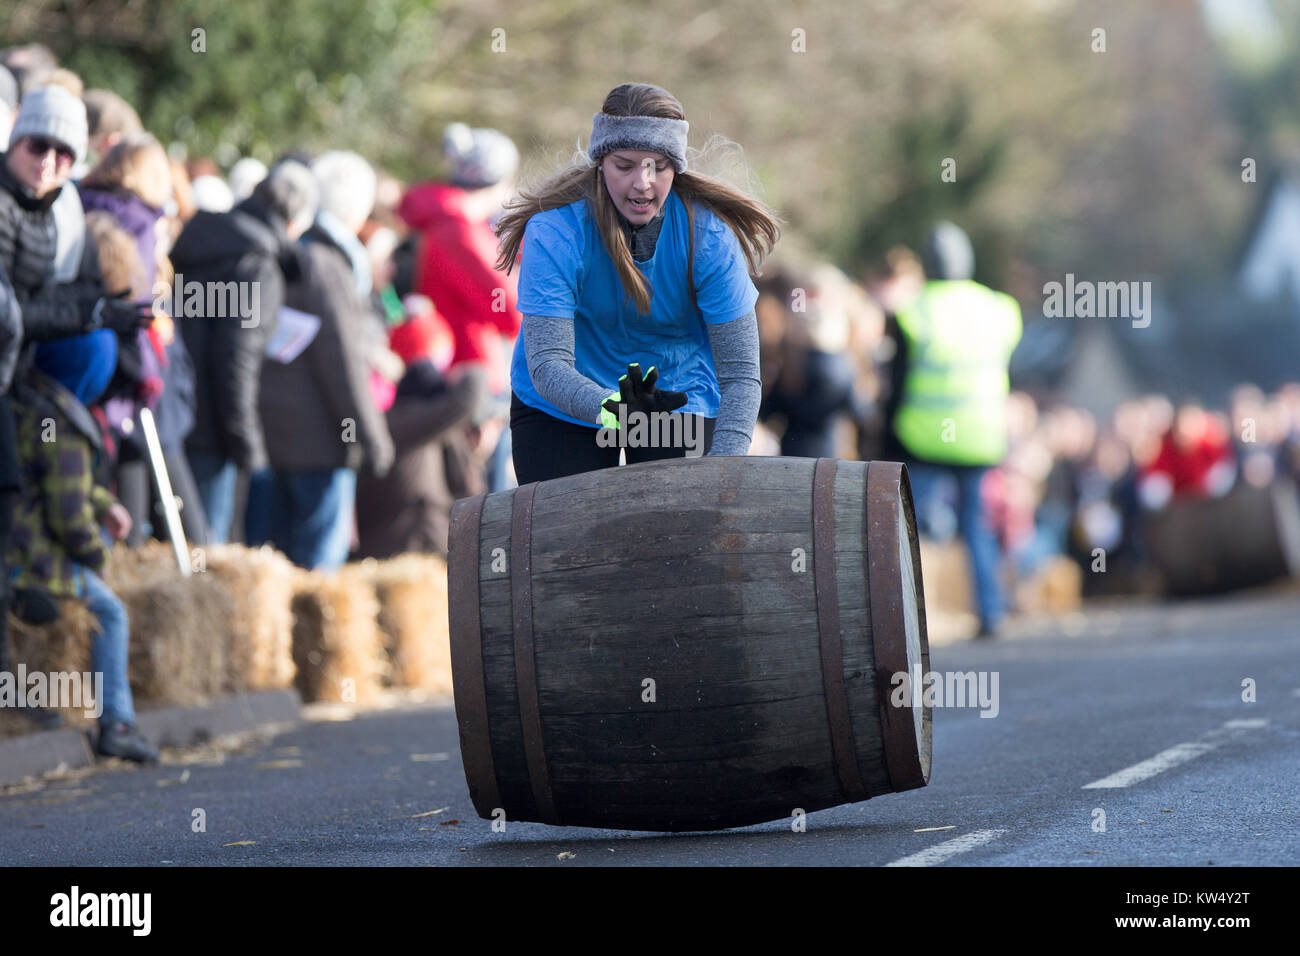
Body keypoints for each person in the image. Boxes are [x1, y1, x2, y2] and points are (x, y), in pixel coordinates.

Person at [494, 82, 779, 483]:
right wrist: (615, 410)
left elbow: (740, 376)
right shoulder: (555, 232)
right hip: (567, 403)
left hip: (676, 402)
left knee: (676, 537)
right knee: (570, 540)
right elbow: (547, 365)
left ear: (675, 168)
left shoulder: (710, 237)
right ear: (601, 162)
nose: (643, 183)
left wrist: (725, 471)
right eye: (624, 165)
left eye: (658, 166)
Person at [7, 328, 159, 762]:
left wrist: (104, 501)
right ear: (89, 369)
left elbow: (51, 477)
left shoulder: (24, 398)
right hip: (32, 560)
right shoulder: (64, 423)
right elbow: (69, 518)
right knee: (110, 610)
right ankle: (117, 722)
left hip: (12, 545)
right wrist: (98, 555)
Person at [251, 151, 393, 570]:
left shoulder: (288, 250)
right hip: (321, 443)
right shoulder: (328, 264)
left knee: (276, 564)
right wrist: (374, 440)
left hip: (275, 434)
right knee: (317, 575)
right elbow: (343, 363)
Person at [880, 222, 1023, 638]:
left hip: (923, 438)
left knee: (912, 528)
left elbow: (898, 382)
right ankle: (991, 612)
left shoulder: (912, 310)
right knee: (976, 526)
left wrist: (886, 434)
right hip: (982, 438)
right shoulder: (1000, 309)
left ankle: (908, 617)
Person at [169, 160, 318, 543]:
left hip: (174, 415)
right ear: (294, 223)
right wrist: (246, 443)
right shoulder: (258, 265)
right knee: (208, 557)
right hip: (214, 434)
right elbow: (238, 357)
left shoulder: (198, 239)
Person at [400, 123, 520, 491]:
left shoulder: (443, 220)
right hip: (473, 379)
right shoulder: (459, 228)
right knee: (486, 501)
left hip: (456, 371)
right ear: (499, 180)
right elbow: (513, 311)